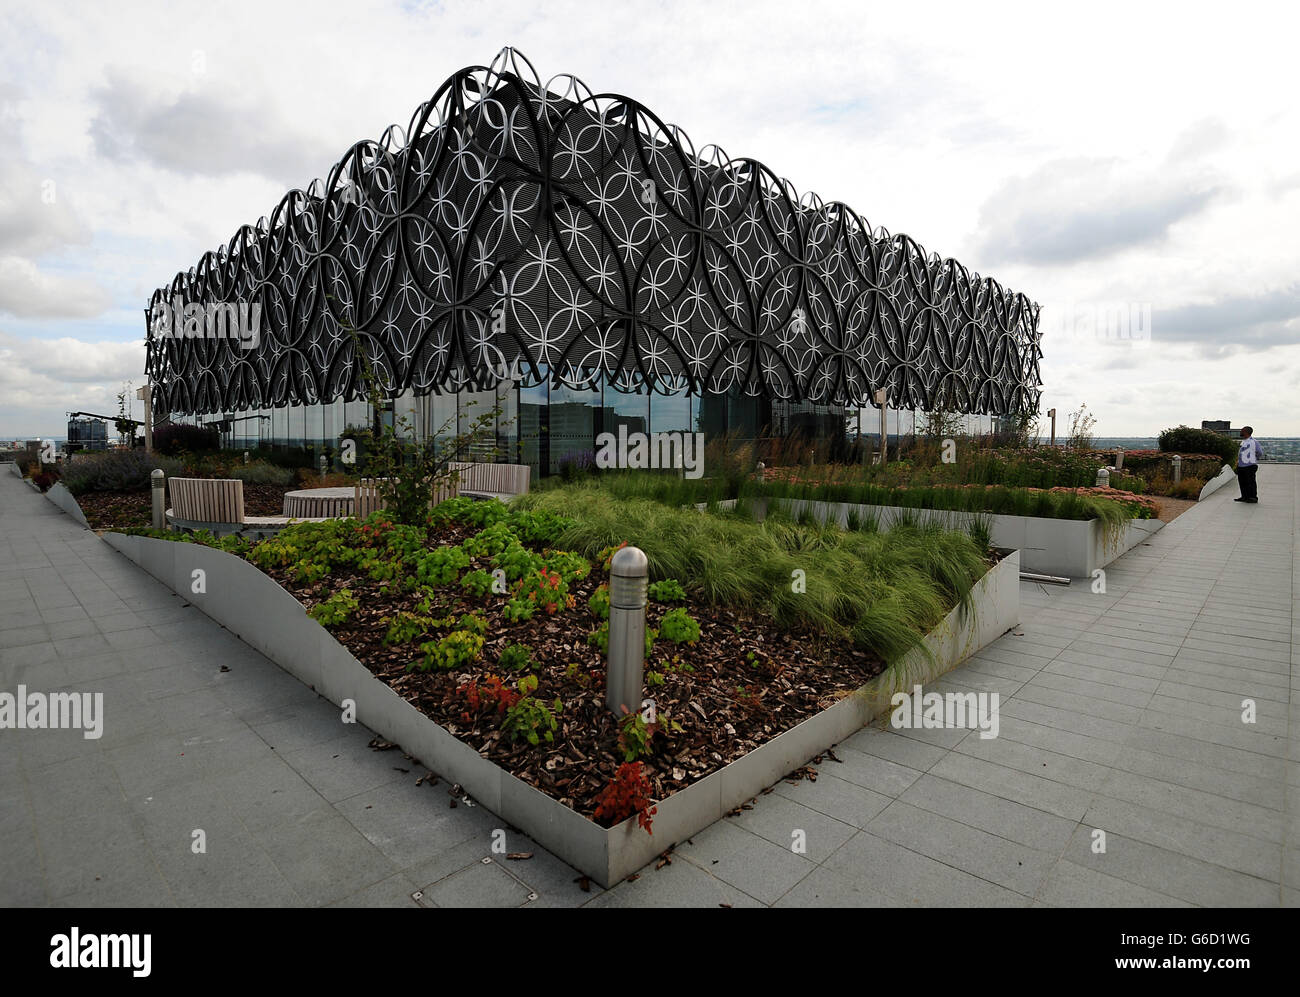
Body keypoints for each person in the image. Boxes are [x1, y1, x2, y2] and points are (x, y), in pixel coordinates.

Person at [1234, 426, 1263, 503]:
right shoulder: (1243, 441)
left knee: (1250, 482)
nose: (1240, 432)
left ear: (1246, 432)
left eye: (1242, 431)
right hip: (1241, 465)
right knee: (1242, 482)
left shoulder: (1254, 442)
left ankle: (1253, 497)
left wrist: (1253, 458)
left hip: (1250, 466)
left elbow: (1260, 452)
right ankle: (1244, 496)